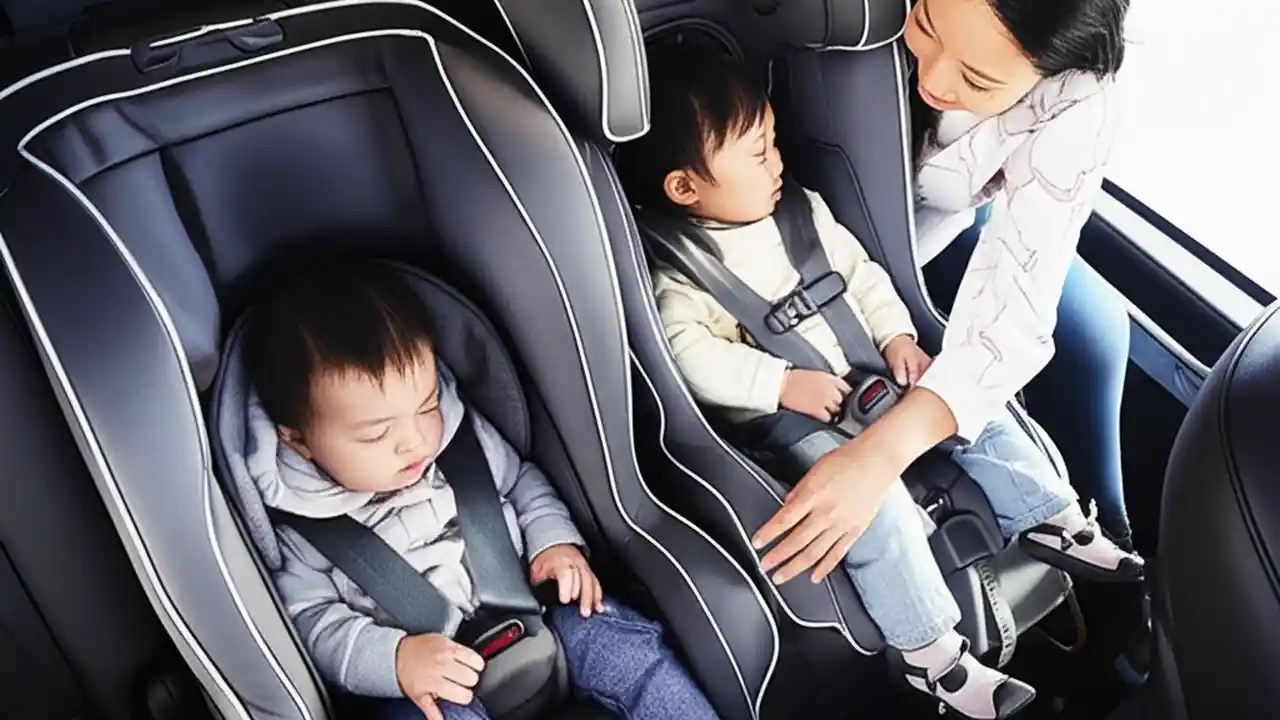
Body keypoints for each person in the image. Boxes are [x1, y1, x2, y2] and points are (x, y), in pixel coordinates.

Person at [615, 44, 1141, 719]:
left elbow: (862, 273)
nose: (778, 163)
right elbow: (689, 355)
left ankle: (1048, 515)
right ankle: (935, 658)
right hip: (801, 422)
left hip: (876, 372)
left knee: (976, 407)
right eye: (757, 155)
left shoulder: (799, 210)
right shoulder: (682, 270)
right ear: (686, 187)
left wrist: (895, 336)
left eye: (775, 142)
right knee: (876, 510)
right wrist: (778, 383)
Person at [225, 260, 718, 720]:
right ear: (300, 441)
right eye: (376, 434)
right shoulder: (300, 527)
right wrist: (393, 661)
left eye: (426, 404)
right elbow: (311, 621)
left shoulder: (460, 444)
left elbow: (522, 482)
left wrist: (555, 543)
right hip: (428, 677)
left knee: (625, 645)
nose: (416, 439)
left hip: (538, 615)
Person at [908, 0, 1136, 550]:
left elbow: (1021, 297)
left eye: (977, 78)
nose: (934, 78)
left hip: (933, 227)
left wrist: (874, 459)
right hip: (821, 222)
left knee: (1093, 339)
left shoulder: (1080, 96)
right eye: (923, 26)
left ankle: (1115, 562)